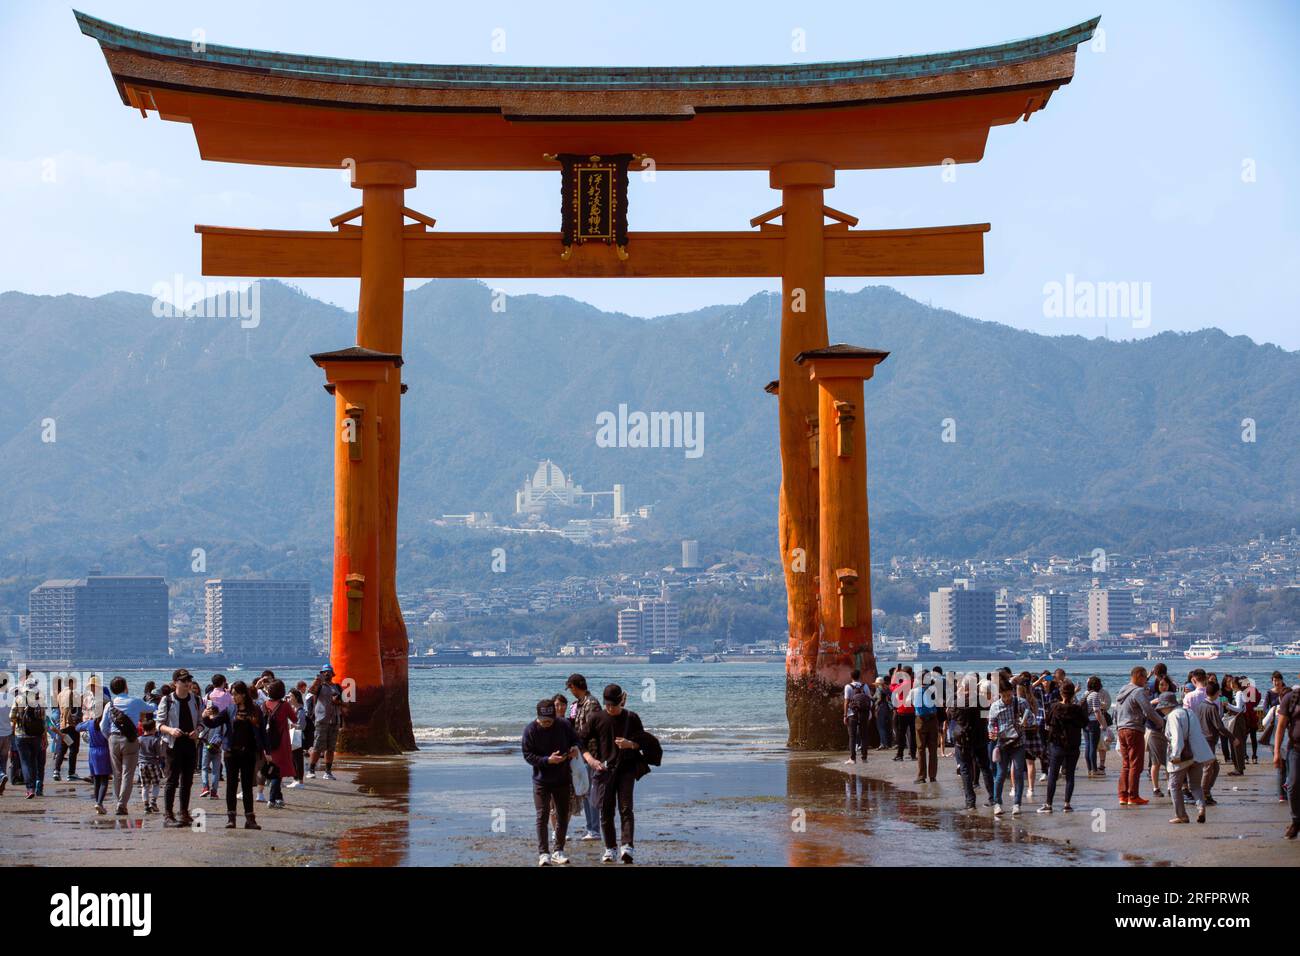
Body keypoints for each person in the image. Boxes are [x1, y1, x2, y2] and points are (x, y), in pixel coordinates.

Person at [582, 683, 646, 864]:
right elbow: (580, 740)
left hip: (627, 769)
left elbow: (643, 742)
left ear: (621, 702)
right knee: (606, 811)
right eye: (607, 704)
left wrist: (630, 744)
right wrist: (590, 760)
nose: (609, 708)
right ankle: (610, 849)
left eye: (613, 705)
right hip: (605, 770)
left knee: (626, 809)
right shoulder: (597, 718)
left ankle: (627, 847)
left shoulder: (632, 718)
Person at [522, 698, 580, 866]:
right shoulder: (530, 730)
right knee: (542, 815)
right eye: (543, 721)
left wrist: (575, 748)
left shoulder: (563, 725)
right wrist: (548, 760)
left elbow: (576, 740)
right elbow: (528, 755)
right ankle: (543, 853)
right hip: (541, 780)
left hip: (562, 778)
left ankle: (558, 850)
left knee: (563, 815)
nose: (547, 724)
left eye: (550, 721)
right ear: (537, 717)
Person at [203, 680, 266, 830]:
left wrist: (266, 751)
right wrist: (205, 716)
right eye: (232, 694)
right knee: (231, 786)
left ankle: (250, 819)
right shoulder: (230, 710)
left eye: (235, 694)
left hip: (249, 753)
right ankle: (231, 818)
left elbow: (262, 732)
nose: (233, 697)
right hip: (231, 753)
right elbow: (213, 723)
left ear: (243, 694)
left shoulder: (255, 710)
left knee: (247, 786)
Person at [156, 668, 203, 827]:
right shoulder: (167, 700)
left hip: (190, 743)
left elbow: (201, 723)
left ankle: (184, 812)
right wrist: (171, 730)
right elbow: (159, 724)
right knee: (171, 780)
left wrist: (197, 732)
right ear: (176, 682)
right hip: (172, 745)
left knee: (187, 780)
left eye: (189, 680)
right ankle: (168, 814)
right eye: (184, 680)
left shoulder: (196, 699)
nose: (188, 683)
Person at [1115, 666, 1165, 807]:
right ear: (1138, 676)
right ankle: (1133, 796)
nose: (1146, 681)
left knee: (1126, 764)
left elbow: (1116, 711)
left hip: (1121, 729)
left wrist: (1118, 727)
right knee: (1136, 764)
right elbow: (1148, 710)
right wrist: (1162, 723)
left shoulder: (1123, 690)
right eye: (1144, 677)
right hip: (1134, 729)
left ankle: (1123, 795)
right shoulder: (1138, 692)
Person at [1161, 691, 1212, 825]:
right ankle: (1201, 808)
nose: (1161, 710)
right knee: (1195, 786)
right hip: (1197, 754)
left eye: (1162, 707)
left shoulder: (1173, 716)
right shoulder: (1190, 712)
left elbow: (1177, 738)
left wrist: (1175, 756)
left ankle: (1181, 816)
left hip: (1182, 756)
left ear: (1167, 706)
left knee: (1174, 786)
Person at [100, 676, 149, 815]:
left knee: (117, 774)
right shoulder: (135, 701)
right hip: (130, 740)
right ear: (126, 686)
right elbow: (151, 708)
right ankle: (122, 804)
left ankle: (119, 802)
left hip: (114, 739)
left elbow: (103, 726)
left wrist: (109, 738)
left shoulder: (109, 705)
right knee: (128, 774)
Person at [564, 673, 603, 842]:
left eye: (571, 687)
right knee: (585, 791)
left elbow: (592, 730)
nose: (570, 691)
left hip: (591, 754)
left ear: (576, 686)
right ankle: (591, 828)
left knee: (591, 792)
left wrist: (577, 740)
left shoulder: (591, 703)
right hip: (582, 753)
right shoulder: (579, 704)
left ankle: (594, 829)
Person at [948, 673, 994, 811]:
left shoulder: (957, 702)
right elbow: (986, 716)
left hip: (963, 739)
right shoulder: (982, 701)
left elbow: (951, 717)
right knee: (985, 767)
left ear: (963, 687)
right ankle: (993, 797)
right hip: (979, 737)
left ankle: (970, 801)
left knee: (965, 769)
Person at [1041, 680, 1088, 813]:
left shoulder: (1055, 707)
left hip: (1057, 744)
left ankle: (1049, 804)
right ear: (1073, 694)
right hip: (1073, 744)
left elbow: (1048, 721)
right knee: (1070, 775)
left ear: (1061, 693)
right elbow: (1084, 723)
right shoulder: (1077, 709)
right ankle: (1067, 804)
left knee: (1053, 774)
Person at [988, 678, 1028, 817]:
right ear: (999, 694)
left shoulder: (1021, 702)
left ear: (1012, 692)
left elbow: (1030, 717)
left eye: (1009, 695)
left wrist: (1026, 722)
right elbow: (991, 723)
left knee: (1018, 773)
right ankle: (997, 803)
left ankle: (1017, 804)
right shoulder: (995, 707)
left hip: (1018, 742)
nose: (1006, 698)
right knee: (1000, 774)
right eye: (1004, 695)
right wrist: (992, 732)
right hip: (1002, 743)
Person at [1192, 679, 1229, 807]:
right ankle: (1203, 794)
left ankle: (1206, 792)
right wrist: (1232, 737)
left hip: (1201, 738)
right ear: (1217, 693)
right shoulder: (1212, 707)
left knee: (1214, 767)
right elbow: (1219, 726)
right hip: (1209, 740)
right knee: (1209, 768)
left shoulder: (1201, 705)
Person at [261, 680, 297, 808]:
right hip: (282, 740)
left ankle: (278, 797)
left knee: (273, 769)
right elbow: (294, 719)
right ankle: (272, 799)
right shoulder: (285, 705)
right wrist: (294, 706)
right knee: (278, 771)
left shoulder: (264, 704)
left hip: (267, 741)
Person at [11, 675, 47, 799]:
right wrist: (45, 737)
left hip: (21, 735)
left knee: (25, 762)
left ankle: (30, 788)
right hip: (36, 735)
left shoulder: (19, 698)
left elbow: (12, 716)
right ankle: (37, 785)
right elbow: (43, 720)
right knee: (34, 761)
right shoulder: (40, 700)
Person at [307, 665, 343, 781]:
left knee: (331, 748)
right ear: (322, 674)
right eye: (325, 672)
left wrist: (337, 702)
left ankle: (328, 772)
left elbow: (344, 703)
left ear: (333, 674)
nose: (327, 674)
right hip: (322, 720)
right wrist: (316, 681)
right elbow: (311, 691)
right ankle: (311, 770)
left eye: (329, 672)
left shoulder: (337, 687)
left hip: (334, 720)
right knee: (317, 746)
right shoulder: (319, 686)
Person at [1146, 673, 1175, 797]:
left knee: (1170, 761)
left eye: (1166, 684)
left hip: (1169, 732)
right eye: (1161, 684)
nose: (1164, 687)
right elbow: (1145, 712)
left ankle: (1170, 786)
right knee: (1155, 762)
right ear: (1157, 685)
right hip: (1154, 732)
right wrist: (1153, 702)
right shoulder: (1151, 697)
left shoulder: (1171, 697)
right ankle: (1155, 788)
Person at [912, 669, 939, 782]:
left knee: (921, 748)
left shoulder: (916, 691)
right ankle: (932, 775)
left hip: (921, 720)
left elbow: (913, 703)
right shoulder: (934, 690)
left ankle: (921, 776)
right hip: (933, 719)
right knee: (933, 749)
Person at [52, 677, 82, 781]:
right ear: (71, 683)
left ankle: (56, 771)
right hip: (72, 726)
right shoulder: (75, 694)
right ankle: (71, 773)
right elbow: (76, 711)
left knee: (62, 749)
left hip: (63, 725)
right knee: (73, 749)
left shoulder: (60, 695)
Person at [136, 715, 163, 814]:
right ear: (153, 729)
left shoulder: (139, 739)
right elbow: (158, 753)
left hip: (142, 764)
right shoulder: (155, 739)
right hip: (153, 764)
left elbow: (136, 751)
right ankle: (153, 802)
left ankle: (146, 806)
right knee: (156, 783)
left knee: (145, 786)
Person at [842, 669, 869, 765]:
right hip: (864, 713)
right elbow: (869, 699)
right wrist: (870, 712)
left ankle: (852, 758)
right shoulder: (865, 686)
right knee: (864, 736)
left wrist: (845, 715)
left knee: (852, 736)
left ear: (851, 677)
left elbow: (846, 701)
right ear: (859, 676)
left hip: (852, 714)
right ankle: (864, 757)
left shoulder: (848, 687)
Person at [1083, 676, 1107, 777]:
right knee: (1093, 747)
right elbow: (1097, 711)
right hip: (1093, 723)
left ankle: (1090, 769)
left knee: (1088, 746)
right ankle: (1095, 769)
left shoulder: (1086, 694)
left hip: (1085, 723)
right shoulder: (1095, 694)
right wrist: (1103, 724)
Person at [891, 667, 916, 762]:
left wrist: (894, 674)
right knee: (913, 734)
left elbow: (892, 687)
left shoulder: (903, 684)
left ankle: (900, 754)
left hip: (902, 712)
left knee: (901, 734)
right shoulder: (915, 683)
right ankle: (913, 754)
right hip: (913, 711)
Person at [287, 688, 307, 788]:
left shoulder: (300, 710)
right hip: (292, 736)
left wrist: (292, 725)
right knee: (293, 759)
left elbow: (302, 726)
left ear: (296, 697)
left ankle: (300, 781)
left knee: (298, 759)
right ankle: (295, 779)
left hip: (298, 737)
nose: (289, 698)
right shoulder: (292, 708)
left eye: (290, 696)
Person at [873, 675, 893, 750]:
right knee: (885, 726)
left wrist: (875, 706)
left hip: (880, 708)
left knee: (880, 726)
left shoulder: (879, 689)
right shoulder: (887, 688)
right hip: (887, 708)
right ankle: (886, 743)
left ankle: (883, 744)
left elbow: (879, 699)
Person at [0, 672, 11, 796]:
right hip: (7, 733)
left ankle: (1, 775)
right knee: (3, 759)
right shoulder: (10, 698)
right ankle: (1, 786)